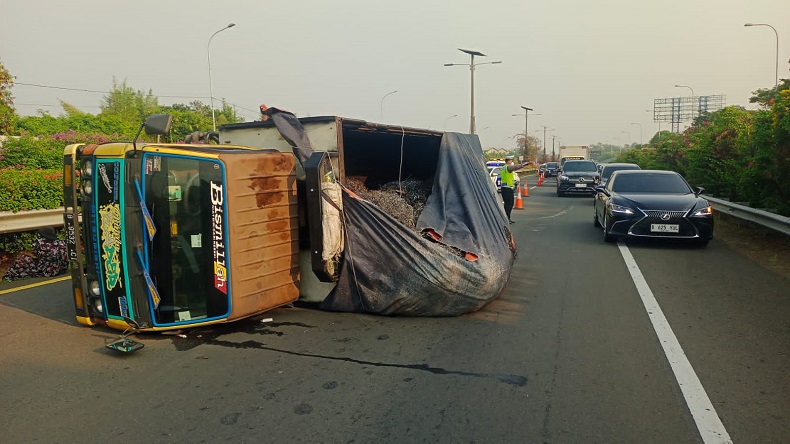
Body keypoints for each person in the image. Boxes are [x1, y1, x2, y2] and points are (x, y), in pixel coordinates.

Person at [2, 227, 68, 281]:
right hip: (62, 269)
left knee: (24, 258)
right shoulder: (61, 242)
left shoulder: (39, 243)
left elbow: (34, 254)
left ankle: (9, 276)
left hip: (48, 271)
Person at [499, 156, 529, 223]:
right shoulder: (507, 167)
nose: (512, 161)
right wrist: (523, 165)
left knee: (507, 204)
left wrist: (514, 182)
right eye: (511, 160)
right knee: (510, 204)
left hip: (504, 188)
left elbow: (507, 178)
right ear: (508, 161)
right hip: (508, 189)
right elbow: (514, 167)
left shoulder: (503, 168)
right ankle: (507, 219)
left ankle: (506, 218)